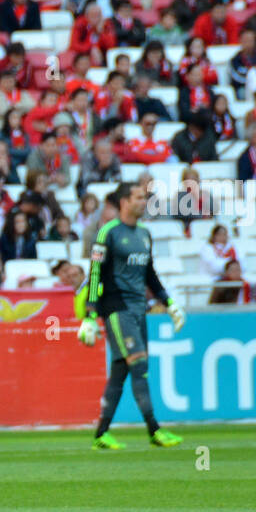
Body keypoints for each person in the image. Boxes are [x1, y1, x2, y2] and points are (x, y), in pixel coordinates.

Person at [78, 182, 184, 450]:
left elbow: (150, 275)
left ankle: (101, 434)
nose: (143, 202)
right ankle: (154, 430)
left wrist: (169, 303)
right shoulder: (108, 233)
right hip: (117, 309)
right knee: (139, 365)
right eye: (138, 197)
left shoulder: (145, 235)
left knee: (121, 371)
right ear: (124, 202)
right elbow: (94, 273)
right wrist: (90, 315)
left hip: (139, 310)